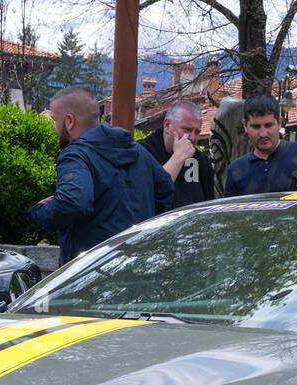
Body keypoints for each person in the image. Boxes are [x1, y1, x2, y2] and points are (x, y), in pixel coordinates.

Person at [31, 86, 174, 262]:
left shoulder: (75, 154)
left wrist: (41, 211)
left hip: (92, 270)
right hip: (139, 261)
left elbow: (73, 202)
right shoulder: (137, 150)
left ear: (69, 121)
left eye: (55, 120)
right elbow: (166, 189)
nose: (54, 127)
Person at [223, 95, 297, 197]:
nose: (263, 134)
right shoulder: (236, 170)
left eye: (268, 125)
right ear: (245, 126)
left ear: (280, 122)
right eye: (256, 127)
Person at [139, 100, 214, 207]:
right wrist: (179, 157)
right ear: (167, 125)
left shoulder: (201, 160)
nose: (192, 137)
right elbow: (146, 196)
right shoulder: (143, 153)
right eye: (187, 129)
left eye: (197, 132)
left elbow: (208, 205)